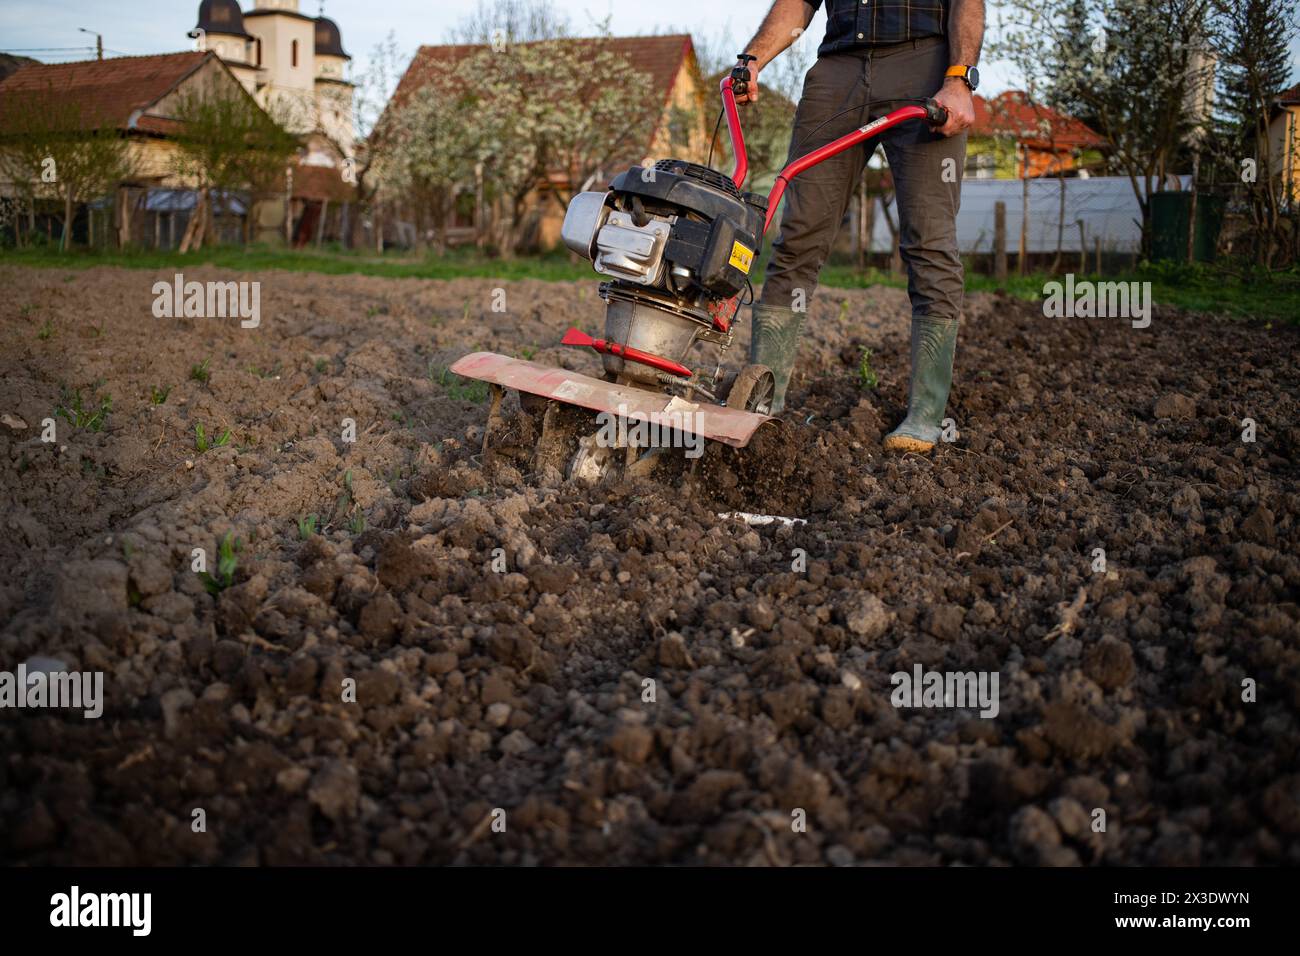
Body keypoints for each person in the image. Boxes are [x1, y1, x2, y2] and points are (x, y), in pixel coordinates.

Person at [740, 0, 983, 453]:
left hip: (925, 65)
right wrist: (751, 60)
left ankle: (926, 415)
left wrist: (959, 78)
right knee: (797, 239)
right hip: (838, 72)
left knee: (929, 243)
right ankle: (761, 405)